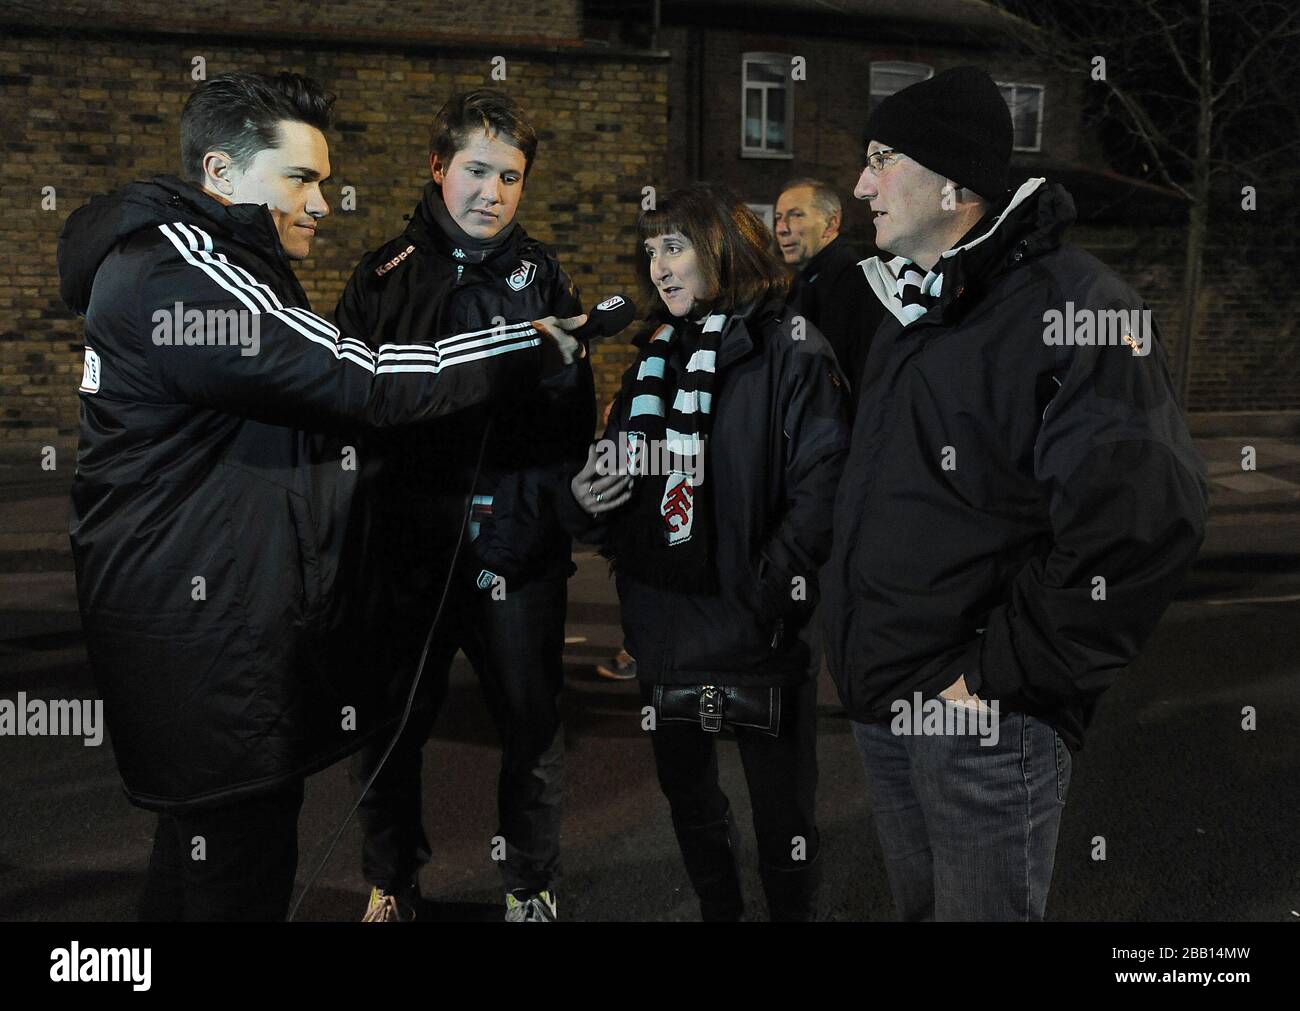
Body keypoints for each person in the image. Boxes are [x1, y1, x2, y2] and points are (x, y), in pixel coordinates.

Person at [56, 71, 582, 922]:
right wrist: (515, 351)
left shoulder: (202, 261)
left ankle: (527, 883)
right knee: (236, 872)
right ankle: (392, 877)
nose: (322, 204)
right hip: (208, 645)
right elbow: (357, 375)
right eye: (301, 178)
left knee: (198, 866)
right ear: (222, 175)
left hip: (217, 633)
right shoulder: (182, 273)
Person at [821, 66, 1208, 921]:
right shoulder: (909, 307)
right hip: (886, 703)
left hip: (980, 721)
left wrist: (997, 675)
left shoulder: (1079, 308)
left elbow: (1142, 522)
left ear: (952, 183)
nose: (860, 185)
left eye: (882, 159)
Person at [337, 89, 594, 923]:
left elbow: (572, 424)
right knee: (390, 728)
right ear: (438, 166)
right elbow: (351, 411)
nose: (493, 192)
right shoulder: (381, 275)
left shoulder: (545, 275)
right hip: (406, 551)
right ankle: (392, 879)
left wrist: (547, 516)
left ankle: (530, 884)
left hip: (514, 552)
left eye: (511, 176)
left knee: (531, 726)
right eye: (477, 170)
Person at [559, 183, 850, 921]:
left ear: (723, 248)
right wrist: (585, 505)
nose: (658, 266)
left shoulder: (790, 348)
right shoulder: (652, 354)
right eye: (650, 250)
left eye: (675, 245)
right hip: (663, 630)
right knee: (690, 804)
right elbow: (618, 474)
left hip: (754, 633)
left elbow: (823, 488)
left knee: (781, 822)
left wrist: (765, 587)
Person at [774, 177, 884, 398]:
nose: (782, 228)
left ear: (831, 224)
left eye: (796, 215)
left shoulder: (853, 281)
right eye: (778, 218)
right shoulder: (807, 280)